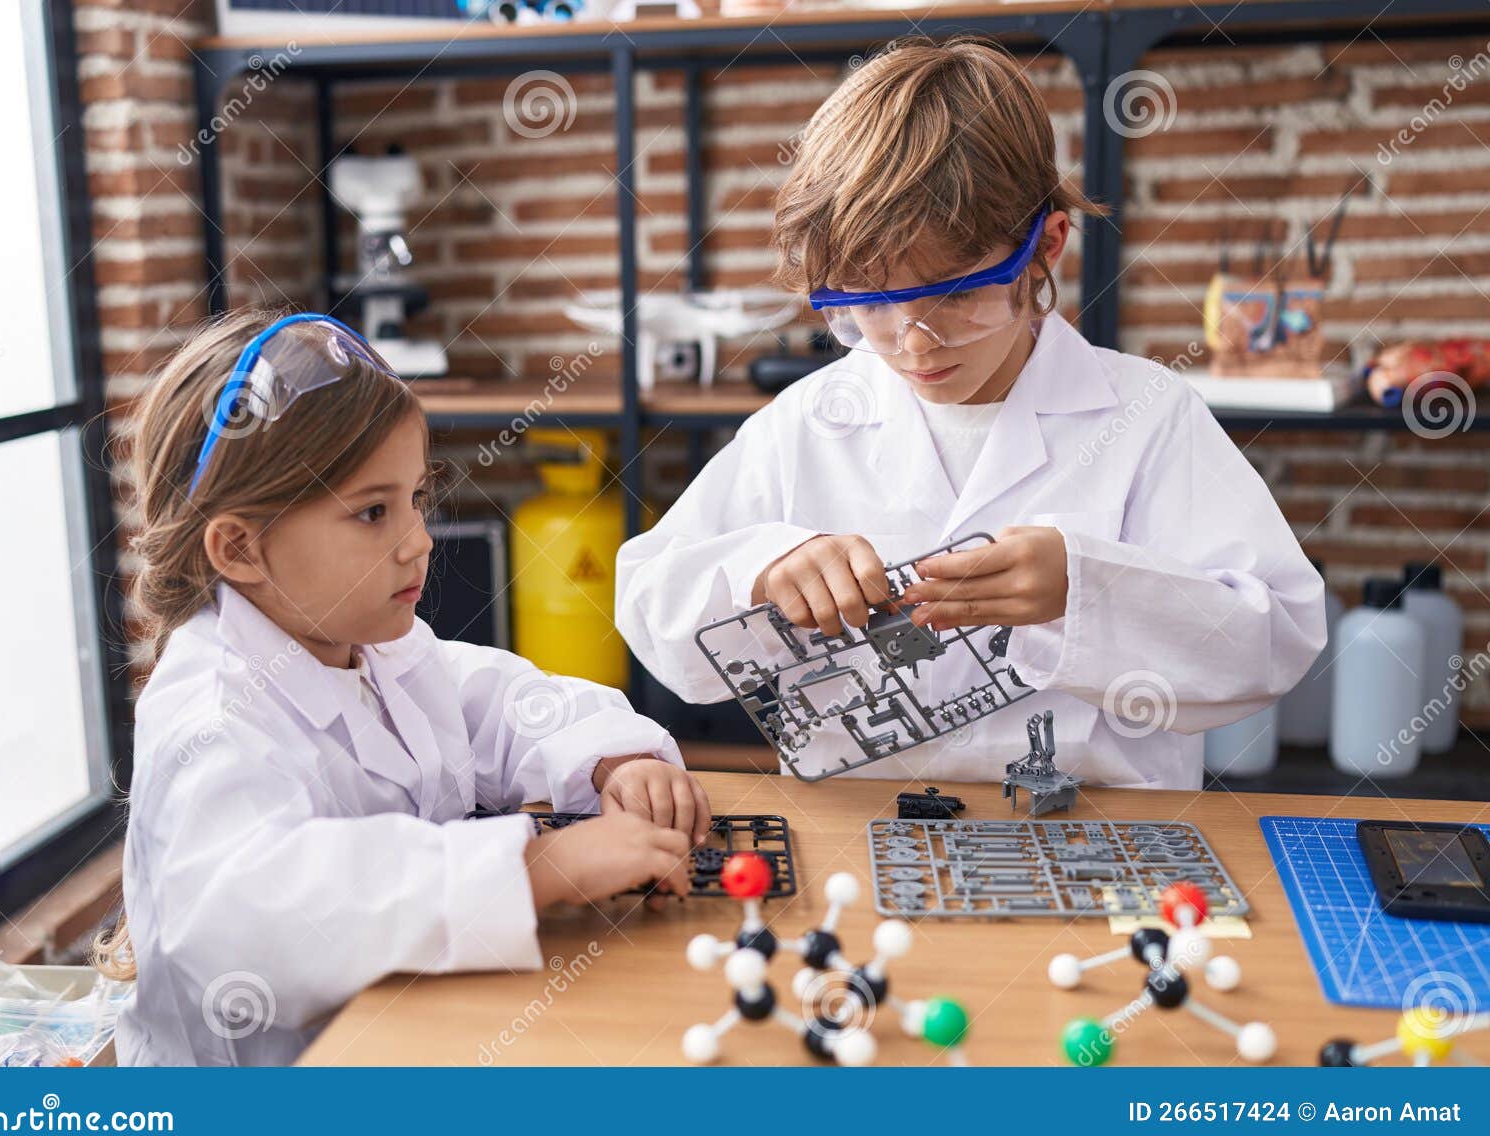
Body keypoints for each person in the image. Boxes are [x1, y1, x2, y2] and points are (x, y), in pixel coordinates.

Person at [615, 39, 1325, 789]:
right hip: (860, 831)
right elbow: (651, 611)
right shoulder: (809, 423)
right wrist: (760, 571)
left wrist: (1087, 591)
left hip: (1105, 836)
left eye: (957, 295)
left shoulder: (1147, 415)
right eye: (867, 303)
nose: (913, 340)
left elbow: (1276, 641)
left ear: (1044, 246)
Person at [96, 310, 709, 1065]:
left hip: (405, 1034)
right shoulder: (212, 717)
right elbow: (261, 918)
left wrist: (611, 756)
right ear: (240, 547)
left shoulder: (370, 647)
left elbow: (498, 700)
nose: (418, 538)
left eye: (416, 498)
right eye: (373, 512)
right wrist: (538, 869)